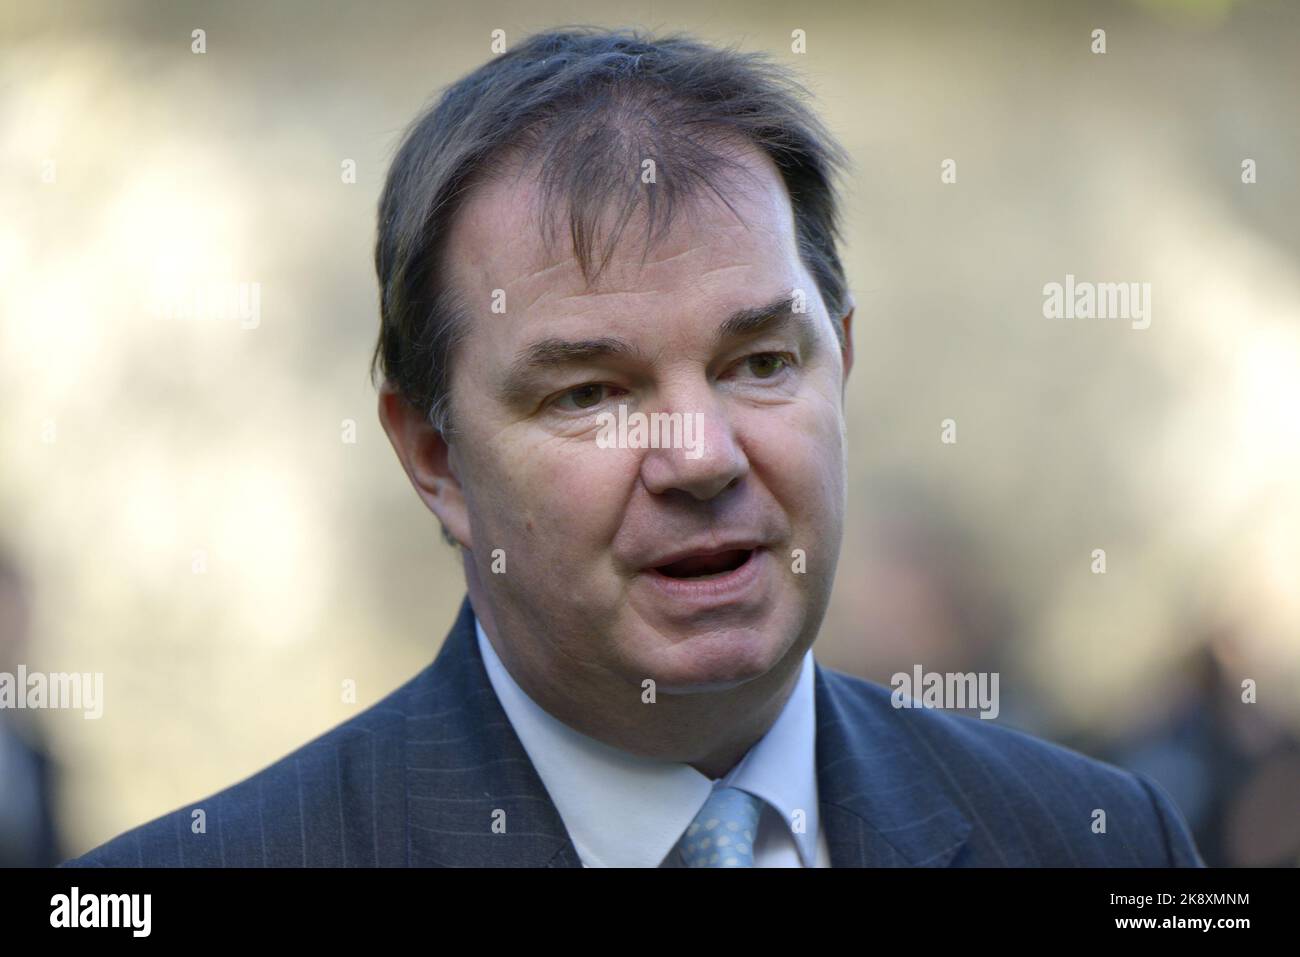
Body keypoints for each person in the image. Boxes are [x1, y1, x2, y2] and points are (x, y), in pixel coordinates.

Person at [66, 27, 1203, 868]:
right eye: (592, 393)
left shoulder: (1097, 843)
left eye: (760, 364)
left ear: (841, 368)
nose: (700, 455)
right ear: (434, 458)